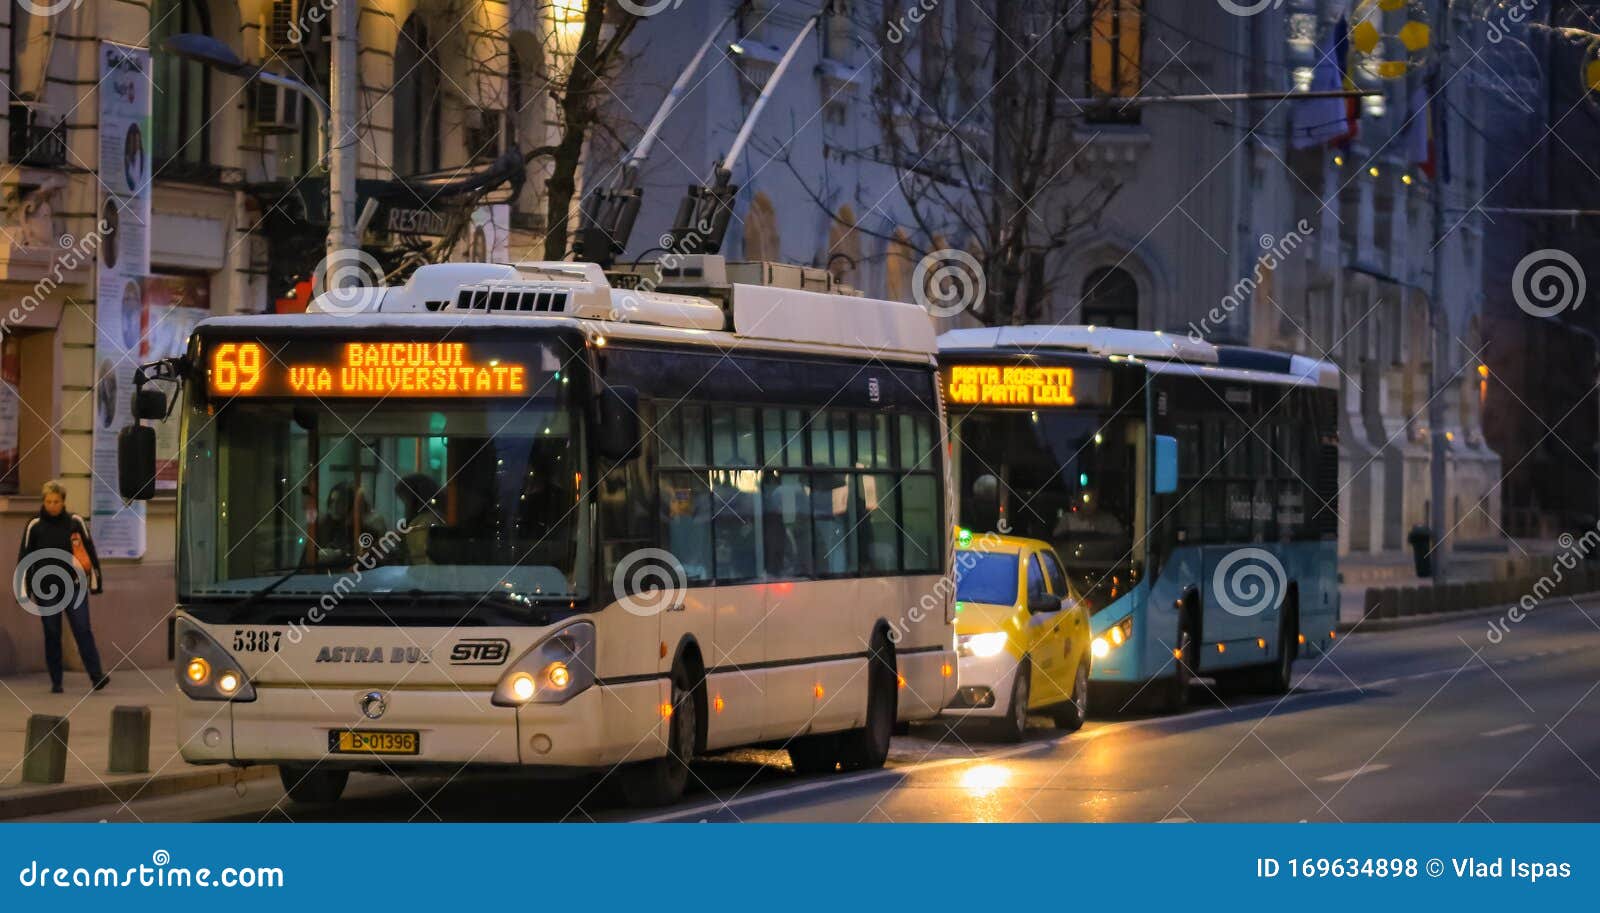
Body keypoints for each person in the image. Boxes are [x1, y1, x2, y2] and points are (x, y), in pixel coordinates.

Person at [16, 481, 107, 694]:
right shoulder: (34, 525)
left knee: (83, 630)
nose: (52, 505)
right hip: (46, 590)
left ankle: (97, 676)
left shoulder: (75, 522)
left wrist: (96, 583)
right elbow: (25, 557)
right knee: (52, 633)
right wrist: (24, 591)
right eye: (48, 501)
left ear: (63, 501)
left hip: (75, 588)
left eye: (56, 501)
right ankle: (56, 681)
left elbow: (89, 552)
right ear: (43, 502)